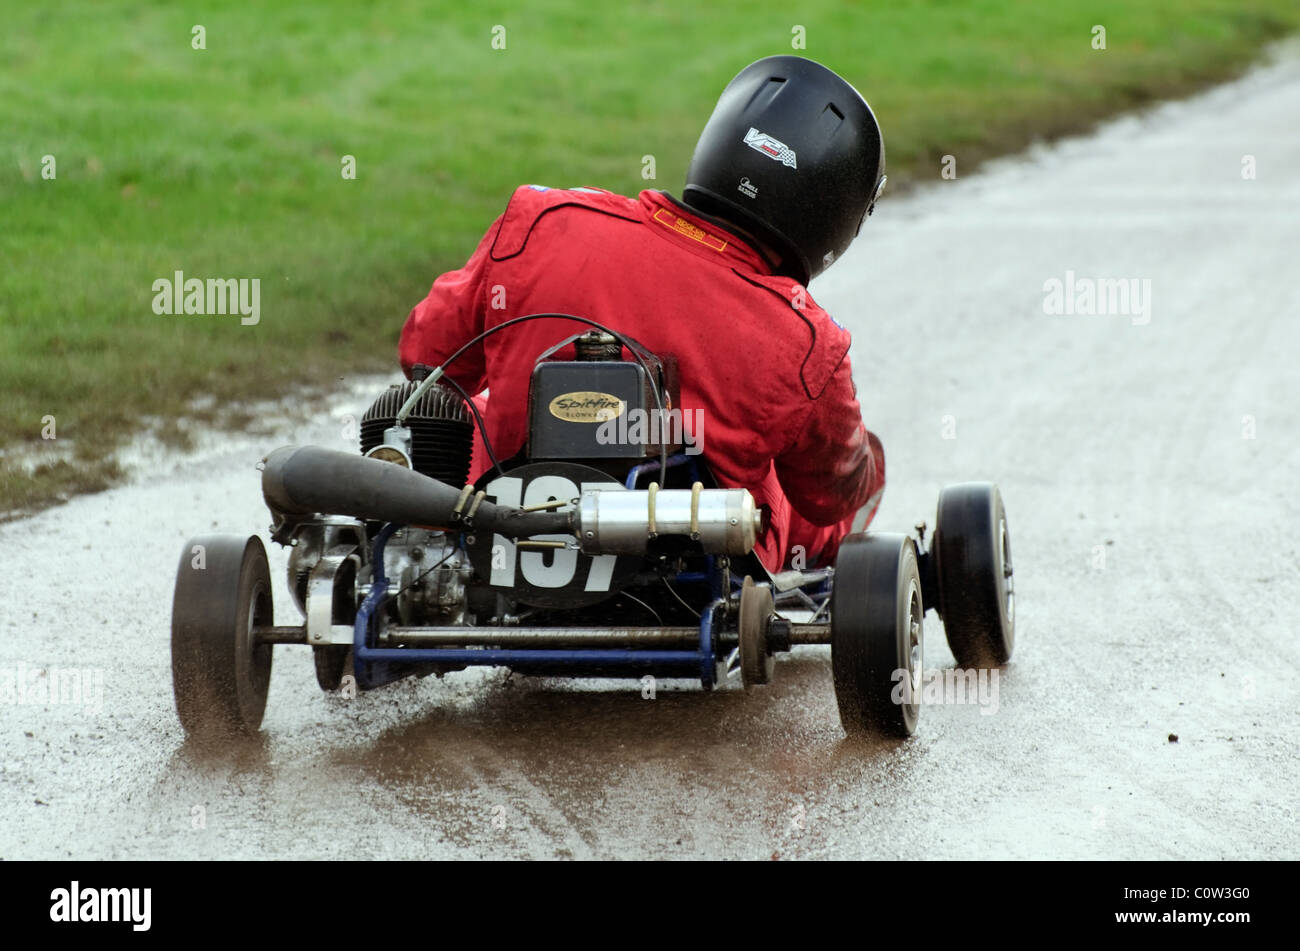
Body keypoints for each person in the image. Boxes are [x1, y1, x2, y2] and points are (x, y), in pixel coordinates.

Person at [399, 55, 888, 572]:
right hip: (690, 580)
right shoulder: (808, 341)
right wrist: (868, 465)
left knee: (465, 408)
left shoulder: (546, 219)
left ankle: (432, 554)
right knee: (806, 490)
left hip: (503, 536)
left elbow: (427, 357)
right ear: (837, 207)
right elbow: (832, 496)